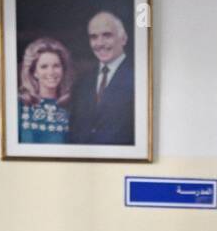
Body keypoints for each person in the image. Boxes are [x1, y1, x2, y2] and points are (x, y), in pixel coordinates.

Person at [68, 11, 134, 144]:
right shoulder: (81, 83)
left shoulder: (139, 78)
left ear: (123, 39)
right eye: (94, 37)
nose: (100, 43)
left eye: (107, 35)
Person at [16, 37, 73, 143]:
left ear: (63, 69)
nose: (51, 72)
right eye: (44, 67)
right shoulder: (20, 104)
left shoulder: (73, 106)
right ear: (34, 72)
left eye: (56, 66)